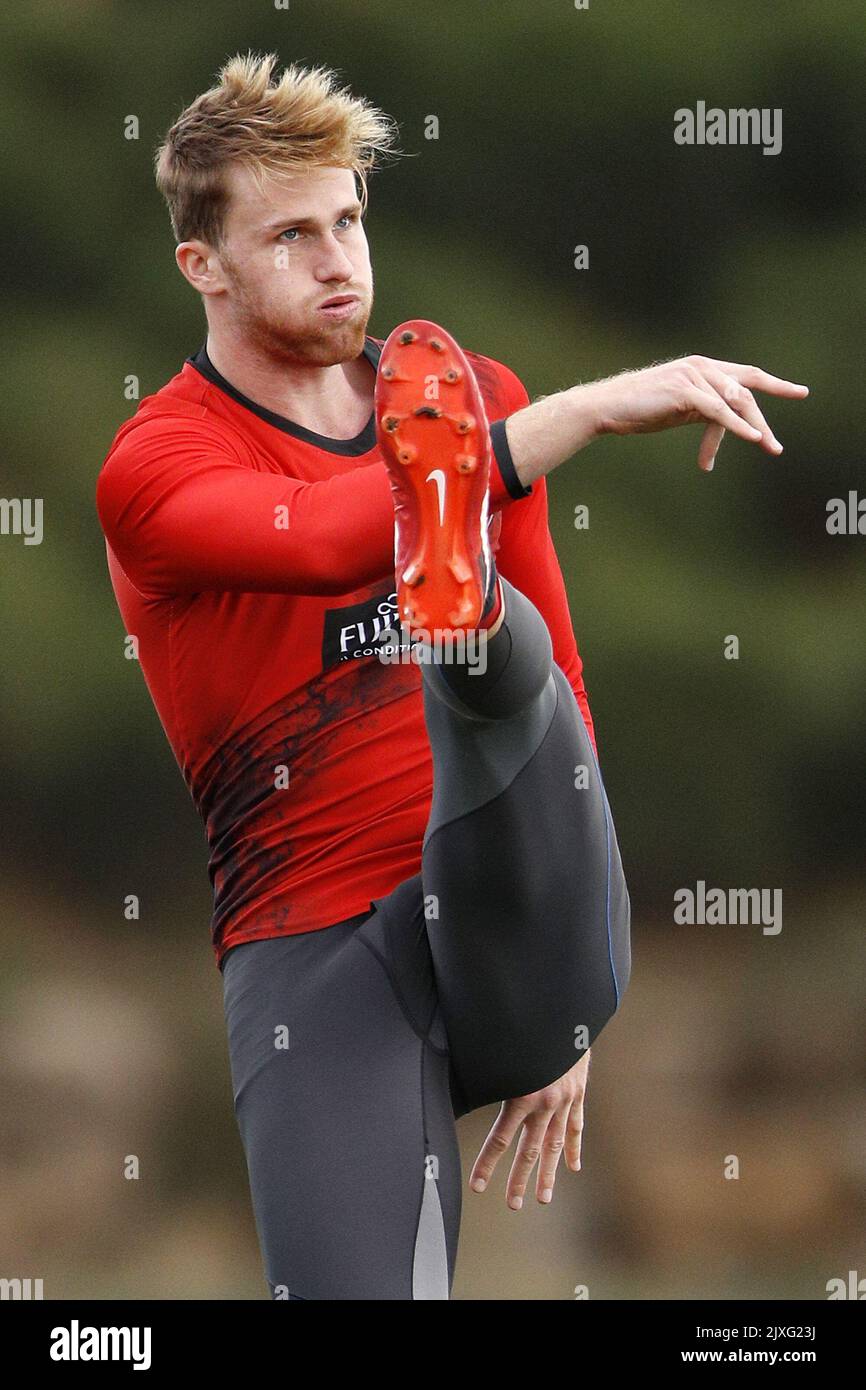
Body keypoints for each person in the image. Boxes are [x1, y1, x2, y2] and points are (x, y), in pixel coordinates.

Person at [95, 52, 809, 1300]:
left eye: (350, 221)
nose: (338, 261)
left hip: (513, 890)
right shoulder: (152, 468)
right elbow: (320, 543)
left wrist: (567, 941)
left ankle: (457, 602)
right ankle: (453, 581)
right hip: (315, 953)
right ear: (200, 266)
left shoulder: (465, 399)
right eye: (291, 235)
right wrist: (571, 418)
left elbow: (568, 685)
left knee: (499, 653)